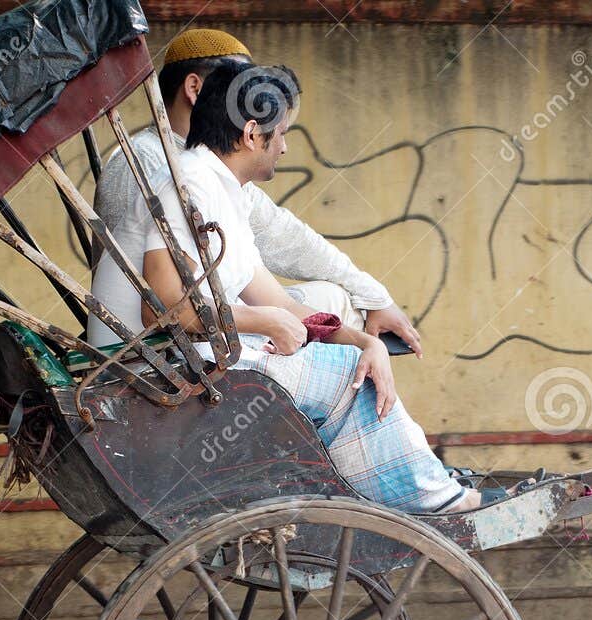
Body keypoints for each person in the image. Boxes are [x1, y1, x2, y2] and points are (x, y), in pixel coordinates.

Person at [95, 60, 478, 514]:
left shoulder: (222, 190)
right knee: (348, 381)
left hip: (182, 359)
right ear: (252, 134)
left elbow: (275, 298)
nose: (285, 147)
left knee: (354, 360)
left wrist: (361, 341)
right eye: (281, 134)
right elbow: (162, 310)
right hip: (152, 371)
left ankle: (409, 488)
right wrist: (265, 321)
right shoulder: (188, 185)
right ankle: (432, 500)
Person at [93, 28, 422, 349]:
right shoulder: (161, 166)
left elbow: (285, 237)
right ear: (195, 88)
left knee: (336, 304)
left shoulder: (212, 170)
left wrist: (373, 296)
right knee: (336, 314)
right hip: (166, 347)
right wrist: (266, 322)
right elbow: (163, 300)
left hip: (214, 322)